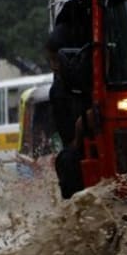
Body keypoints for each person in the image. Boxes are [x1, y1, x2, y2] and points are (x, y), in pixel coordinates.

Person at [45, 23, 86, 199]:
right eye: (51, 60)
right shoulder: (58, 91)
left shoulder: (96, 77)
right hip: (79, 154)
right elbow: (68, 142)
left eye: (57, 60)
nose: (54, 66)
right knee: (66, 161)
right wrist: (80, 129)